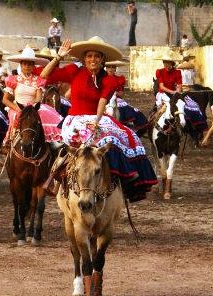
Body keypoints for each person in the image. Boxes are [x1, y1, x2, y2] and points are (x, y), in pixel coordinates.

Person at [40, 36, 157, 202]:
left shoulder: (108, 79)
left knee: (126, 137)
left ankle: (122, 178)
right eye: (89, 56)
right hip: (75, 118)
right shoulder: (74, 70)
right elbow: (45, 76)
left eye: (96, 56)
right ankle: (57, 175)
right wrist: (59, 57)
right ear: (84, 58)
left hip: (97, 117)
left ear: (102, 59)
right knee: (68, 143)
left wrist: (97, 121)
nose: (92, 59)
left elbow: (102, 100)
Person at [1, 46, 62, 144]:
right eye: (25, 64)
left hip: (32, 107)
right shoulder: (13, 79)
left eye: (30, 64)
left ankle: (49, 142)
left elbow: (38, 98)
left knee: (44, 115)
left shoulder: (38, 80)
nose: (27, 66)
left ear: (33, 66)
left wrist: (31, 108)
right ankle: (10, 142)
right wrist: (17, 108)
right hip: (17, 107)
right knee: (16, 115)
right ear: (20, 65)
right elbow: (5, 100)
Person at [154, 53, 207, 140]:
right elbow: (161, 87)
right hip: (163, 93)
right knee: (167, 105)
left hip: (175, 93)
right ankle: (161, 126)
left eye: (168, 63)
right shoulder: (160, 72)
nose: (166, 65)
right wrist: (173, 92)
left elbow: (179, 85)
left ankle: (195, 126)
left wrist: (177, 92)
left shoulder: (177, 72)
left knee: (192, 105)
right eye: (165, 63)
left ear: (172, 63)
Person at [106, 60, 148, 133]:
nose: (111, 69)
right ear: (106, 68)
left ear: (115, 69)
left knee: (133, 111)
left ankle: (128, 126)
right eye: (109, 67)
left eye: (113, 67)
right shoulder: (101, 78)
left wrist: (114, 92)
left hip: (116, 98)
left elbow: (121, 94)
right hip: (104, 98)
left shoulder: (119, 79)